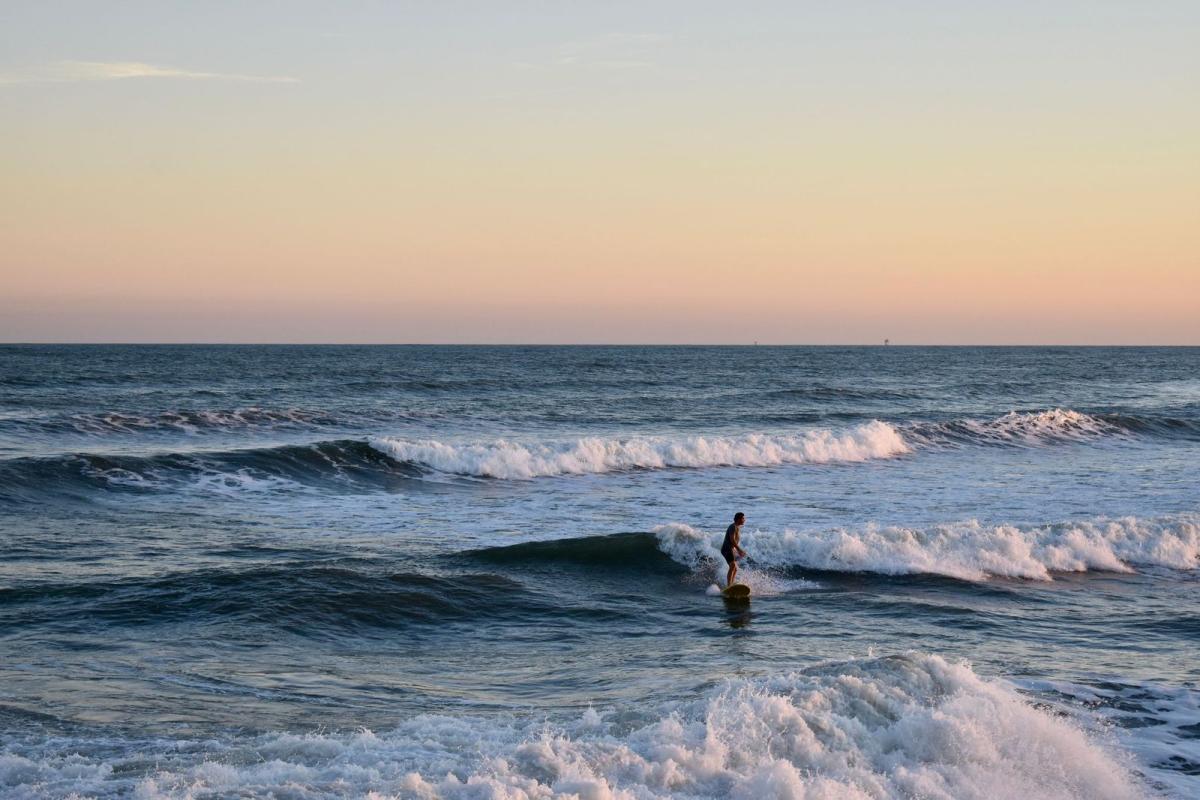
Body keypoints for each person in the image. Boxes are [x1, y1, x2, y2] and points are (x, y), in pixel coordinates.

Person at [721, 512, 748, 587]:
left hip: (730, 549)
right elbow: (732, 540)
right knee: (732, 566)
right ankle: (729, 585)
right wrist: (739, 549)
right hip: (727, 549)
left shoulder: (737, 527)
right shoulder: (733, 527)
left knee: (735, 568)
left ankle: (731, 584)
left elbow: (734, 542)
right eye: (743, 518)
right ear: (739, 519)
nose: (744, 520)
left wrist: (735, 551)